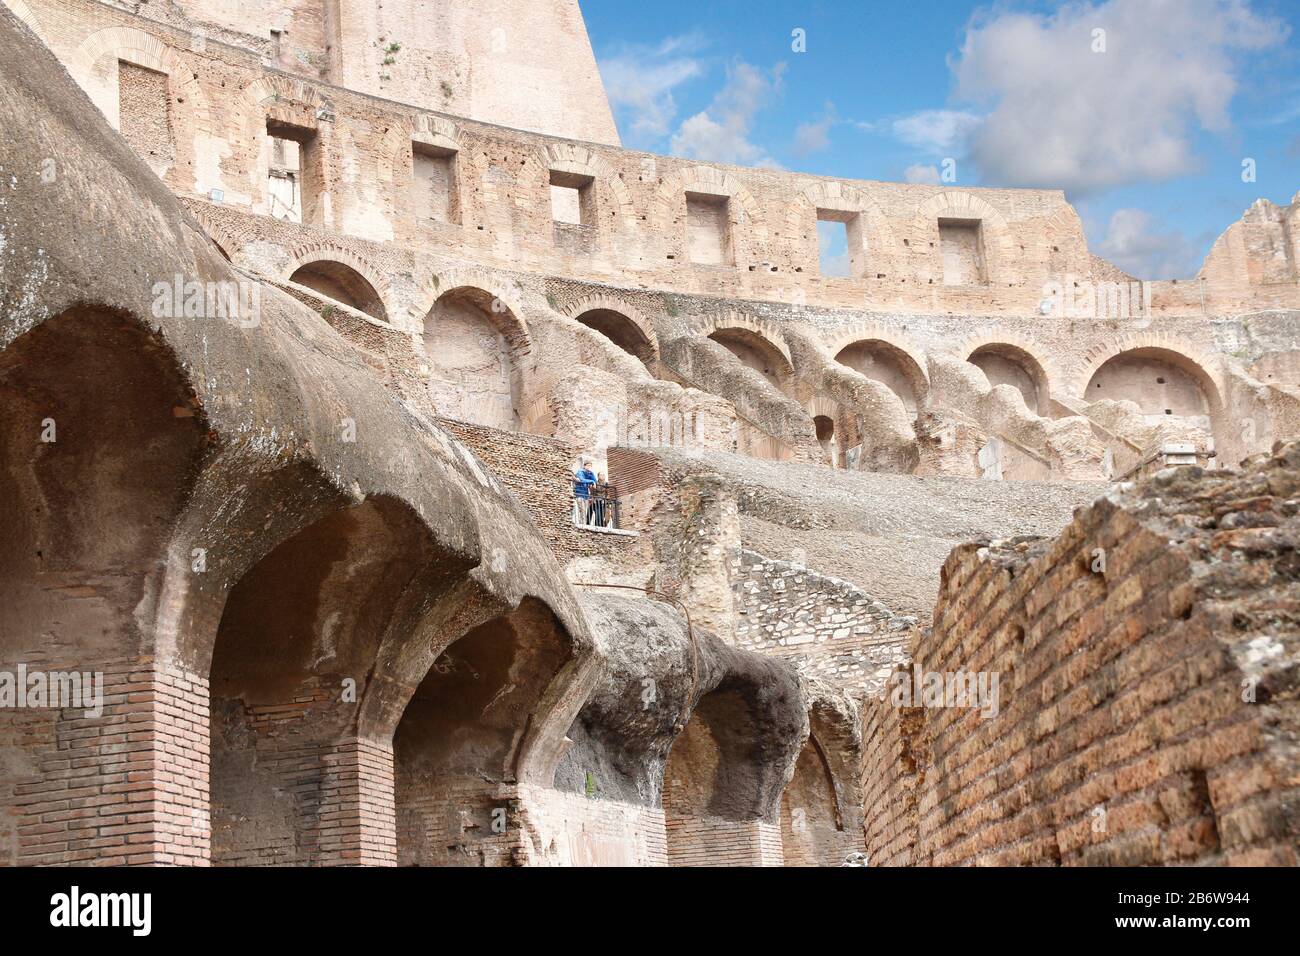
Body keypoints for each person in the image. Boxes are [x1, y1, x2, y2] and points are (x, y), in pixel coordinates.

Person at [572, 458, 597, 524]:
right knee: (582, 510)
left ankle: (582, 523)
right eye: (588, 465)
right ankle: (583, 524)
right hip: (579, 494)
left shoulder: (589, 473)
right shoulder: (580, 472)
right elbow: (582, 480)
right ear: (584, 466)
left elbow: (595, 481)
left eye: (590, 466)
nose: (589, 467)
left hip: (586, 495)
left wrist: (591, 474)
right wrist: (591, 481)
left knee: (585, 511)